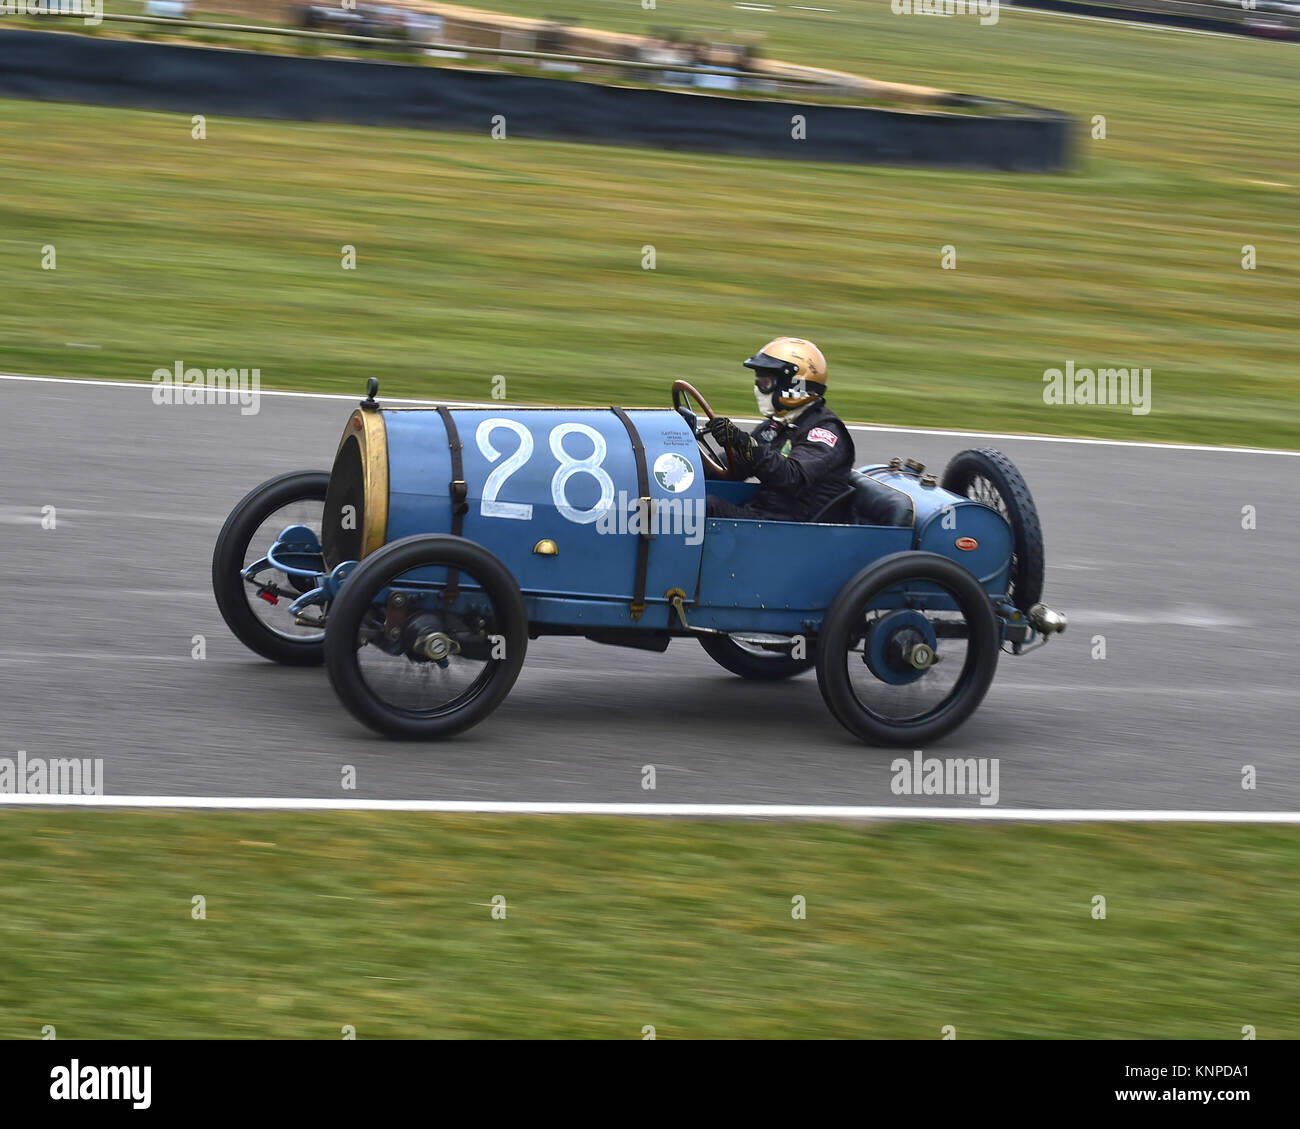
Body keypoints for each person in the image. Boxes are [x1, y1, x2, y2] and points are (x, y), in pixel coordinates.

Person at [704, 337, 855, 522]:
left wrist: (743, 443)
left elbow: (792, 477)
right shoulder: (778, 424)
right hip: (765, 515)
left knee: (706, 508)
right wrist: (689, 464)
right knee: (689, 500)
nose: (758, 389)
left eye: (765, 382)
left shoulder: (825, 433)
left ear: (794, 384)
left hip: (791, 528)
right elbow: (735, 466)